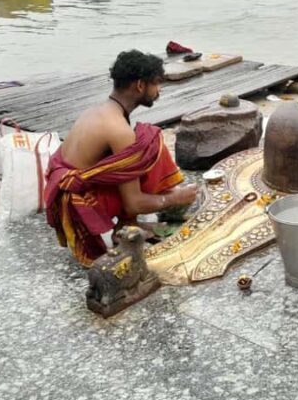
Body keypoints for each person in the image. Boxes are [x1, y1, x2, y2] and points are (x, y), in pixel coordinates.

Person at [44, 50, 197, 267]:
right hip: (79, 204)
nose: (159, 90)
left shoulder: (97, 111)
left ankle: (128, 225)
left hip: (68, 192)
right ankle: (126, 229)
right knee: (151, 141)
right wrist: (173, 199)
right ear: (140, 86)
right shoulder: (119, 129)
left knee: (142, 144)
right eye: (157, 84)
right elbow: (133, 202)